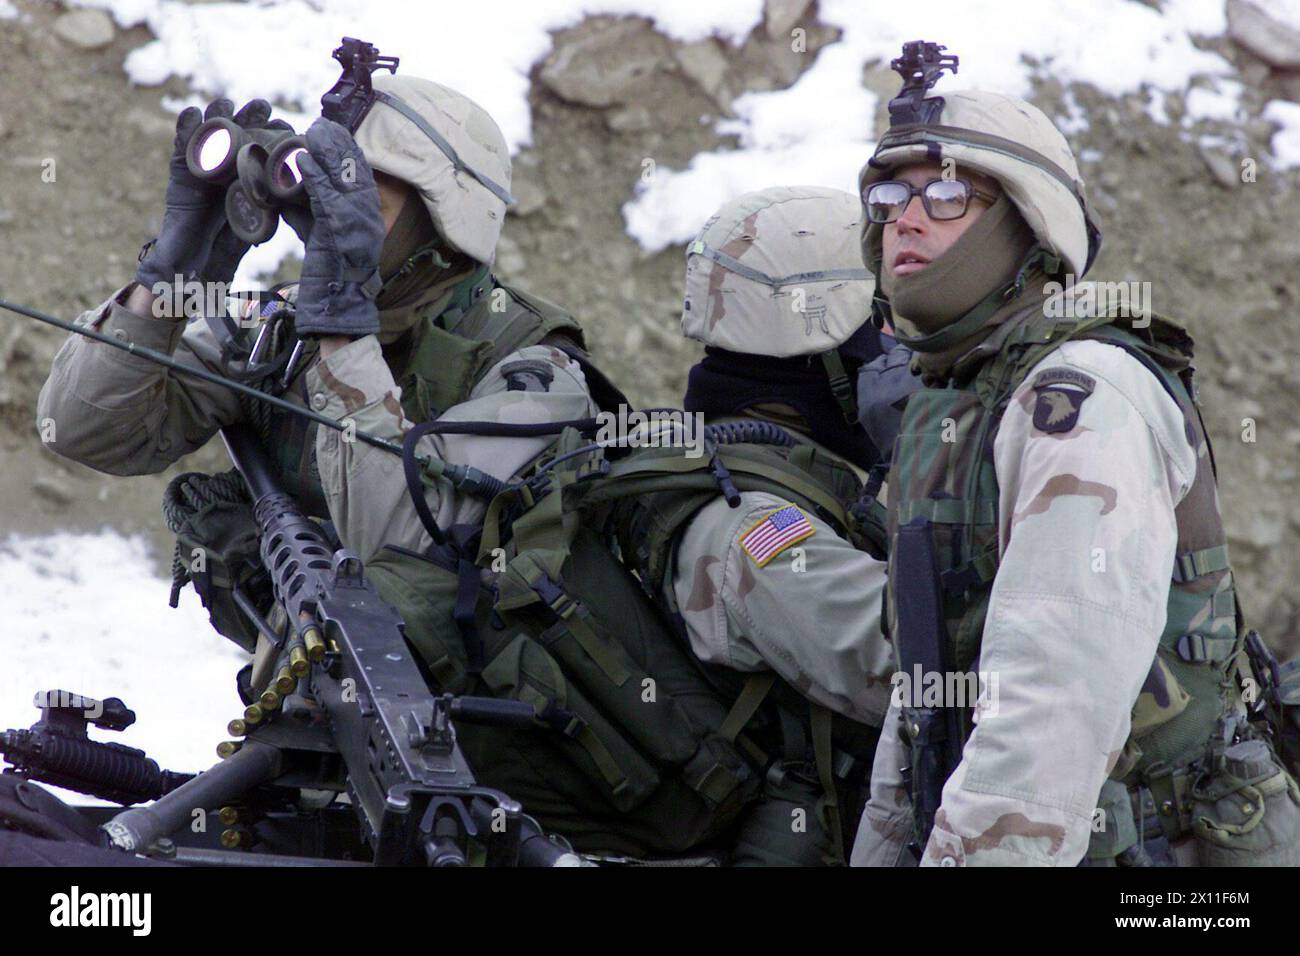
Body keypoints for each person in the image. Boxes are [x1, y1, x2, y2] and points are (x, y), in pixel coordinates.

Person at [850, 46, 1298, 867]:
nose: (903, 220)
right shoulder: (948, 401)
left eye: (947, 194)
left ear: (1026, 220)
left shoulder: (1081, 395)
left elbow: (1051, 711)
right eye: (888, 196)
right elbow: (921, 697)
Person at [36, 74, 601, 637]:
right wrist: (167, 285)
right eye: (330, 202)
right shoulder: (285, 327)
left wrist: (341, 334)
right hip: (305, 698)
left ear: (444, 230)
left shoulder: (533, 369)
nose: (333, 232)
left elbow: (405, 545)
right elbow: (86, 429)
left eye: (363, 210)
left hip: (468, 713)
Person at [638, 184, 900, 863]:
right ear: (842, 355)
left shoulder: (770, 471)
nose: (903, 353)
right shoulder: (754, 529)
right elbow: (925, 666)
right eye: (887, 329)